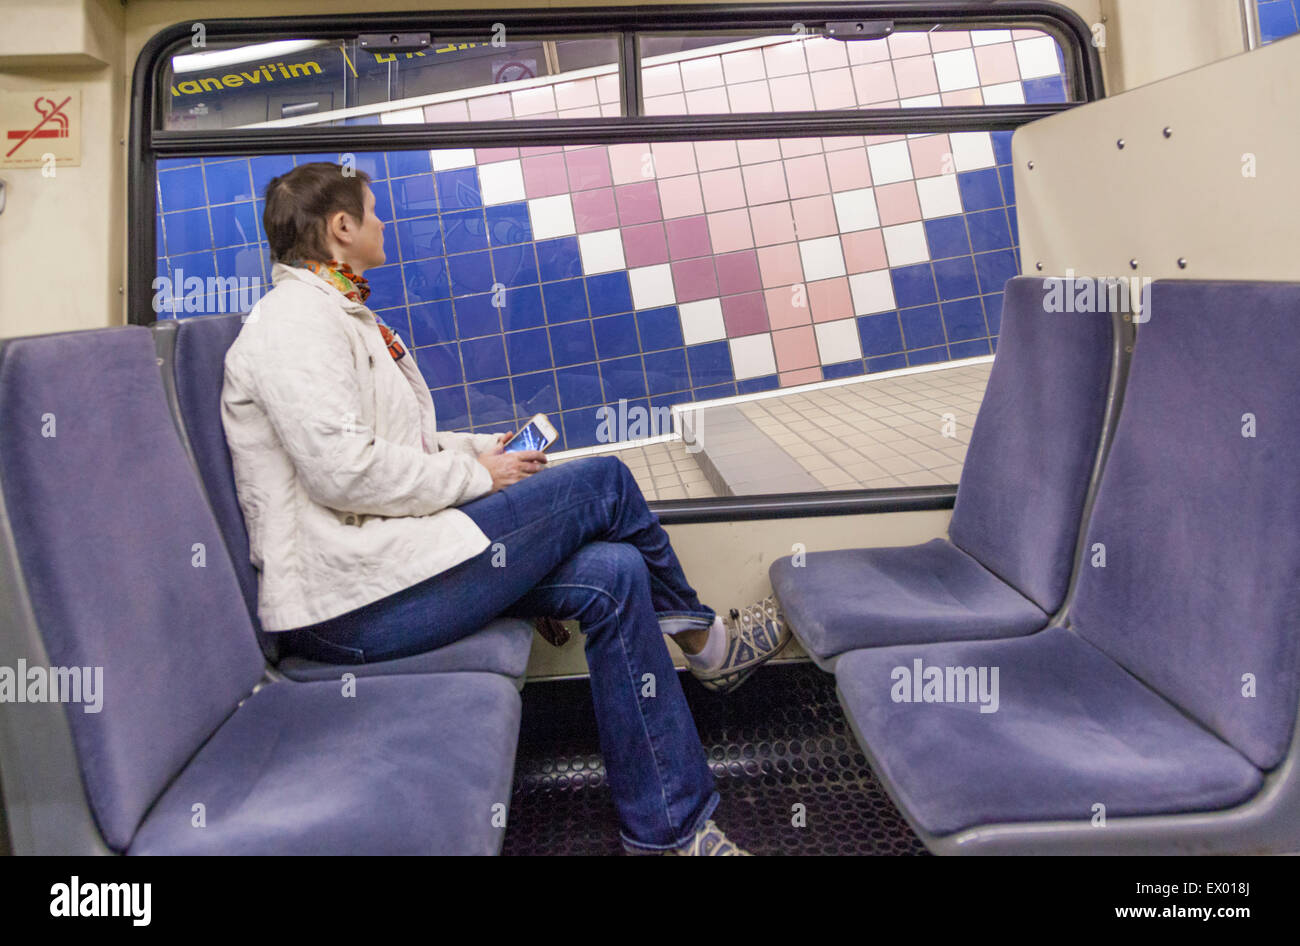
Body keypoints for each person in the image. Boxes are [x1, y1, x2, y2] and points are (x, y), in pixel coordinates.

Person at [220, 161, 790, 856]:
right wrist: (476, 478)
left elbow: (401, 445)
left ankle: (670, 830)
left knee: (613, 573)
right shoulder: (293, 324)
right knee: (605, 484)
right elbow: (344, 472)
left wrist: (486, 452)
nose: (383, 223)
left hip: (393, 566)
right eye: (372, 212)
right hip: (349, 606)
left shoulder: (339, 312)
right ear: (340, 228)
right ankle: (709, 645)